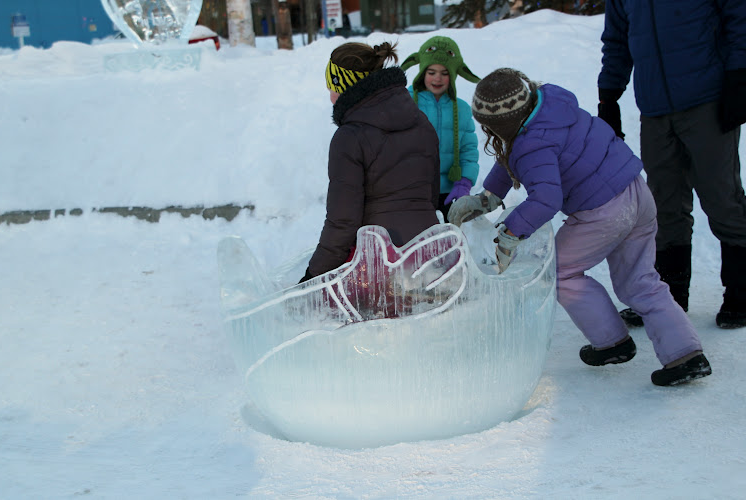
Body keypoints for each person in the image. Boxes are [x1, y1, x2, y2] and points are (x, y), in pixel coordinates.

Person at [448, 68, 711, 386]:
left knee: (559, 272)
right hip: (637, 193)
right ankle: (685, 355)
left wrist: (509, 235)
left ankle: (612, 341)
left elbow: (545, 197)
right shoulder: (550, 105)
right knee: (641, 282)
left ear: (498, 124)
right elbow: (518, 154)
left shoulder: (531, 145)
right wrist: (487, 198)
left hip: (603, 212)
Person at [597, 0, 746, 329]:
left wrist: (739, 74)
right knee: (663, 203)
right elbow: (618, 38)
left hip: (708, 98)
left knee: (722, 197)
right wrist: (608, 94)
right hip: (654, 108)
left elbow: (738, 15)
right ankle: (670, 295)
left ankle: (741, 291)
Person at [299, 41, 440, 282]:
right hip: (430, 256)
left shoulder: (349, 137)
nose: (331, 97)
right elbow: (431, 195)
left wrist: (312, 276)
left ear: (344, 87)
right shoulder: (421, 121)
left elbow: (342, 222)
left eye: (332, 87)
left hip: (381, 267)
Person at [401, 36, 481, 223]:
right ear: (422, 72)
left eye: (445, 72)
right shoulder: (405, 102)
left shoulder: (461, 109)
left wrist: (464, 182)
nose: (438, 78)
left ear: (453, 75)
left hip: (448, 192)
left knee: (447, 242)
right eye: (431, 71)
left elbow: (468, 150)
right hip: (411, 190)